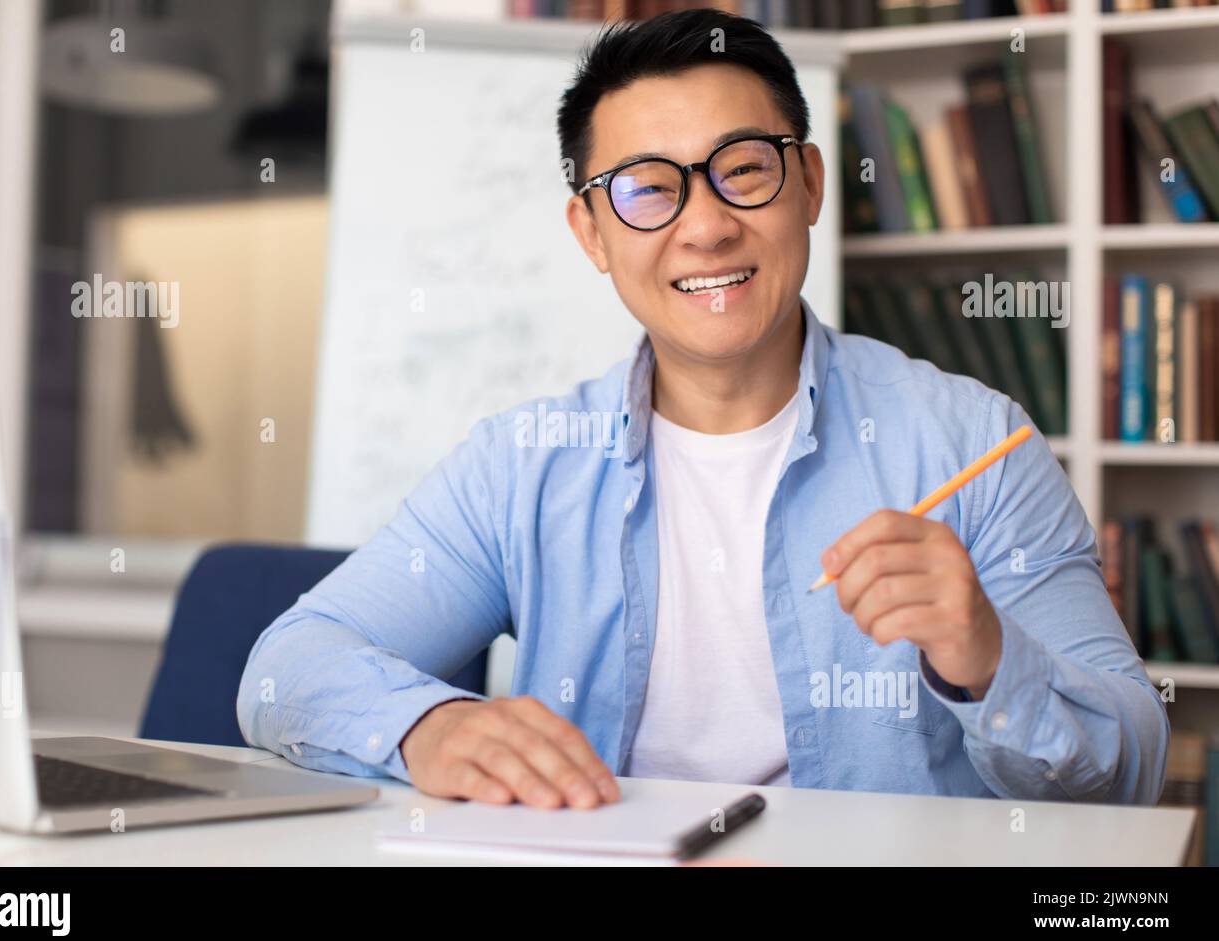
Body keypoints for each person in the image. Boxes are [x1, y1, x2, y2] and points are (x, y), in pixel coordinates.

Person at [237, 9, 1167, 809]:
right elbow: (288, 666)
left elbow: (1133, 765)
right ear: (592, 234)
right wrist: (426, 727)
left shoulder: (975, 443)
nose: (707, 223)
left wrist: (988, 657)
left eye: (744, 169)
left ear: (808, 183)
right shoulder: (521, 464)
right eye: (647, 188)